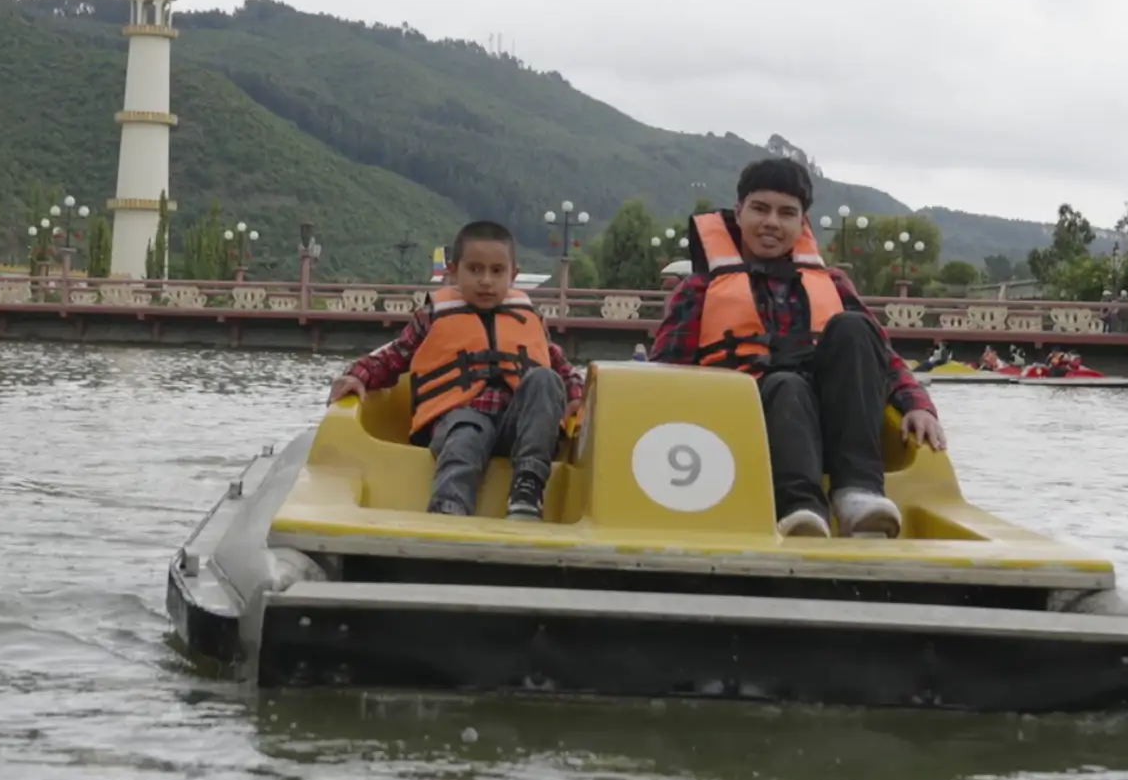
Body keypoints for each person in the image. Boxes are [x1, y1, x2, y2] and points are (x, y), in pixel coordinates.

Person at [647, 157, 947, 539]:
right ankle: (800, 508)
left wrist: (918, 405)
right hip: (745, 432)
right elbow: (665, 374)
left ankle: (857, 492)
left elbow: (882, 357)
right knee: (787, 384)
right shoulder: (699, 290)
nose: (771, 222)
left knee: (854, 327)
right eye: (760, 208)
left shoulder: (832, 283)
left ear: (801, 222)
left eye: (786, 213)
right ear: (739, 212)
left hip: (827, 429)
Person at [328, 220, 583, 520]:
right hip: (455, 420)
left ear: (513, 275)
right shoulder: (433, 315)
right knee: (468, 431)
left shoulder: (529, 317)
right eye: (474, 269)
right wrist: (358, 374)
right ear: (453, 271)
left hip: (513, 428)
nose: (486, 281)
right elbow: (394, 356)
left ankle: (527, 492)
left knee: (545, 379)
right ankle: (449, 508)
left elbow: (561, 367)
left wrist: (575, 396)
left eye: (497, 271)